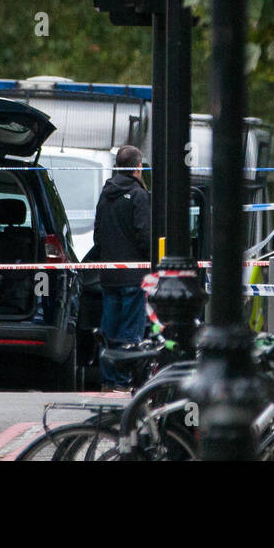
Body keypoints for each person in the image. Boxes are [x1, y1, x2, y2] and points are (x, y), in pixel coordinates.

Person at [93, 145, 151, 388]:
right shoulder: (139, 195)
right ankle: (124, 379)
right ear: (138, 167)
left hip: (109, 275)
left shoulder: (106, 194)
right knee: (130, 330)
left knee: (110, 327)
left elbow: (98, 234)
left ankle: (108, 377)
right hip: (134, 275)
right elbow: (144, 235)